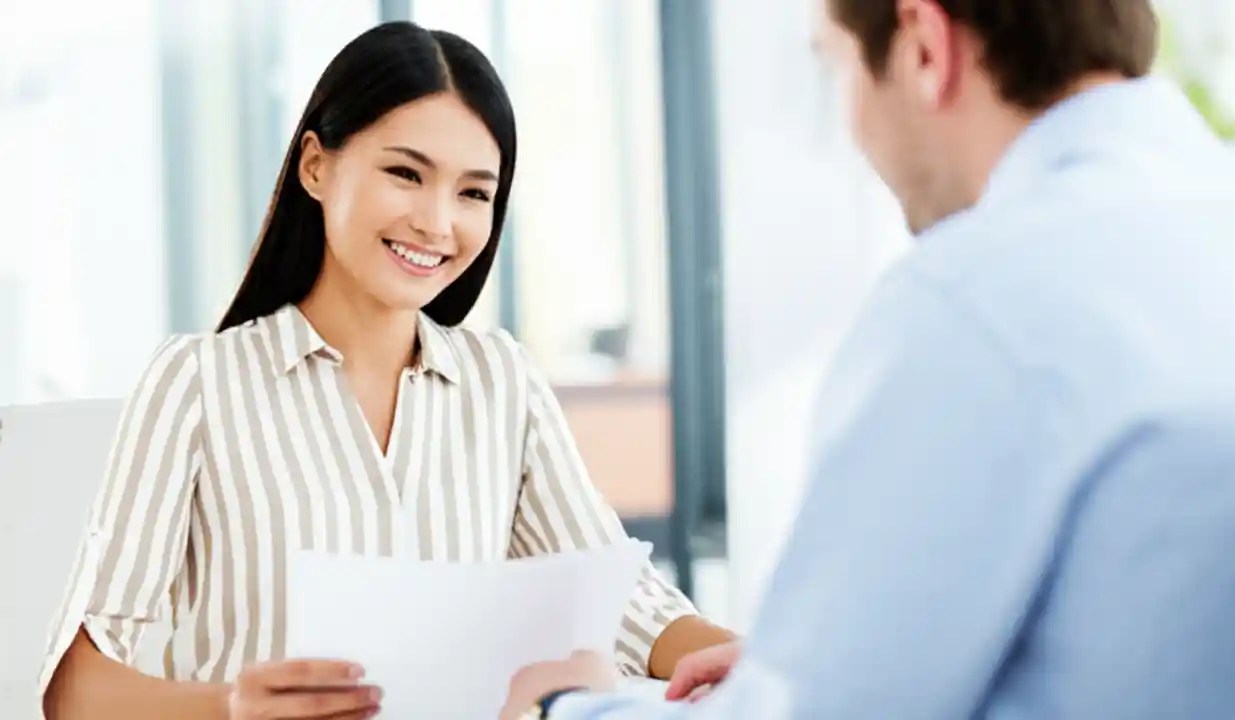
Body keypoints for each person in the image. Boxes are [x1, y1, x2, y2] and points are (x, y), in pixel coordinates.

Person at [501, 0, 1235, 717]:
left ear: (923, 47)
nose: (850, 122)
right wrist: (811, 662)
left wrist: (566, 704)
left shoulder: (975, 295)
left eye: (835, 66)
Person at [39, 22, 732, 720]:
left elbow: (620, 605)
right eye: (406, 173)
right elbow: (74, 690)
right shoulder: (198, 382)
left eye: (473, 193)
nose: (437, 222)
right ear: (316, 165)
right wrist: (232, 706)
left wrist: (747, 656)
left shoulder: (502, 383)